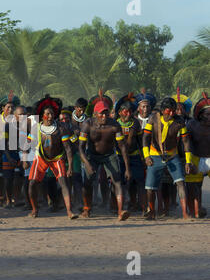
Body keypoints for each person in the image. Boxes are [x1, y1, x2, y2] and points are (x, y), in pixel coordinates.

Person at [79, 91, 131, 221]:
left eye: (106, 113)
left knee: (117, 180)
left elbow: (122, 147)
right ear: (95, 114)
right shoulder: (88, 124)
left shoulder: (114, 125)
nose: (104, 116)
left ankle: (120, 211)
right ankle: (87, 208)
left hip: (109, 155)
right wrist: (87, 163)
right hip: (92, 155)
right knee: (87, 182)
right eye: (101, 113)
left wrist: (127, 168)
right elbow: (80, 147)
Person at [26, 95, 78, 219]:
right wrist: (24, 157)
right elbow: (27, 143)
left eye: (52, 114)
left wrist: (70, 166)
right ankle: (34, 209)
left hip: (57, 159)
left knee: (63, 183)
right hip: (41, 159)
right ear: (42, 115)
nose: (50, 116)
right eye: (47, 114)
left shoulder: (61, 128)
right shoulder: (36, 128)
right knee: (32, 184)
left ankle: (69, 211)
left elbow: (68, 149)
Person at [142, 97, 194, 220]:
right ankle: (151, 212)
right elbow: (145, 138)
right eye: (168, 110)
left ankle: (185, 213)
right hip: (155, 155)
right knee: (150, 188)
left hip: (172, 155)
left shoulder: (179, 122)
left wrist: (188, 161)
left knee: (181, 183)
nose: (171, 113)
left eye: (173, 110)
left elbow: (186, 141)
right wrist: (146, 156)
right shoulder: (153, 119)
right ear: (162, 110)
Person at [113, 94, 146, 214]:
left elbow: (140, 142)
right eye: (125, 112)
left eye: (130, 112)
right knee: (119, 182)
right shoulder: (114, 124)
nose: (127, 114)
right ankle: (119, 207)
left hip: (135, 156)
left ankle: (144, 207)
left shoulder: (135, 124)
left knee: (139, 181)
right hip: (118, 157)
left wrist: (144, 157)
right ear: (120, 112)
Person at [185, 92, 210, 218]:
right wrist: (188, 162)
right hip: (195, 158)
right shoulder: (192, 125)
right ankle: (196, 210)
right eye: (208, 114)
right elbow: (186, 144)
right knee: (193, 186)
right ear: (201, 115)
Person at [0, 91, 21, 208]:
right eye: (8, 107)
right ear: (2, 108)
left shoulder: (17, 120)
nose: (10, 109)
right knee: (1, 177)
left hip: (15, 151)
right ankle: (1, 199)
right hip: (0, 152)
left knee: (16, 177)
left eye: (12, 107)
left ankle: (15, 199)